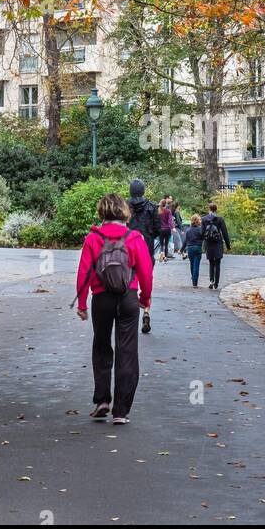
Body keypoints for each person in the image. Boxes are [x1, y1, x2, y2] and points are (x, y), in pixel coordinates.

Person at [74, 192, 153, 424]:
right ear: (124, 212)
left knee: (101, 346)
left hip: (101, 299)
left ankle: (102, 401)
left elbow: (84, 272)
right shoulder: (134, 237)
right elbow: (146, 272)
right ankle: (121, 411)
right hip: (128, 297)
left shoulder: (93, 238)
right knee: (127, 351)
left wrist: (81, 303)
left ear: (102, 212)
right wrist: (145, 297)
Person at [126, 179, 160, 335]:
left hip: (129, 248)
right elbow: (158, 229)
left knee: (130, 281)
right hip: (146, 248)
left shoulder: (125, 207)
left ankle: (129, 311)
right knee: (146, 281)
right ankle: (146, 310)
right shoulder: (152, 207)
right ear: (143, 190)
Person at [201, 201, 231, 290]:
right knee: (217, 263)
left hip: (209, 243)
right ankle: (216, 283)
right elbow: (225, 233)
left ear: (209, 209)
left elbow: (202, 233)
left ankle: (211, 281)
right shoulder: (220, 219)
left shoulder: (204, 219)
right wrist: (228, 245)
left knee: (211, 263)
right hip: (218, 243)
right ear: (216, 209)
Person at [184, 213, 204, 287]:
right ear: (196, 221)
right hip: (198, 248)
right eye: (199, 219)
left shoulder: (188, 230)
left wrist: (182, 249)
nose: (200, 220)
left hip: (190, 249)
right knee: (196, 266)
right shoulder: (200, 229)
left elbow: (185, 241)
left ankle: (193, 279)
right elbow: (203, 238)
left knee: (192, 265)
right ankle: (195, 283)